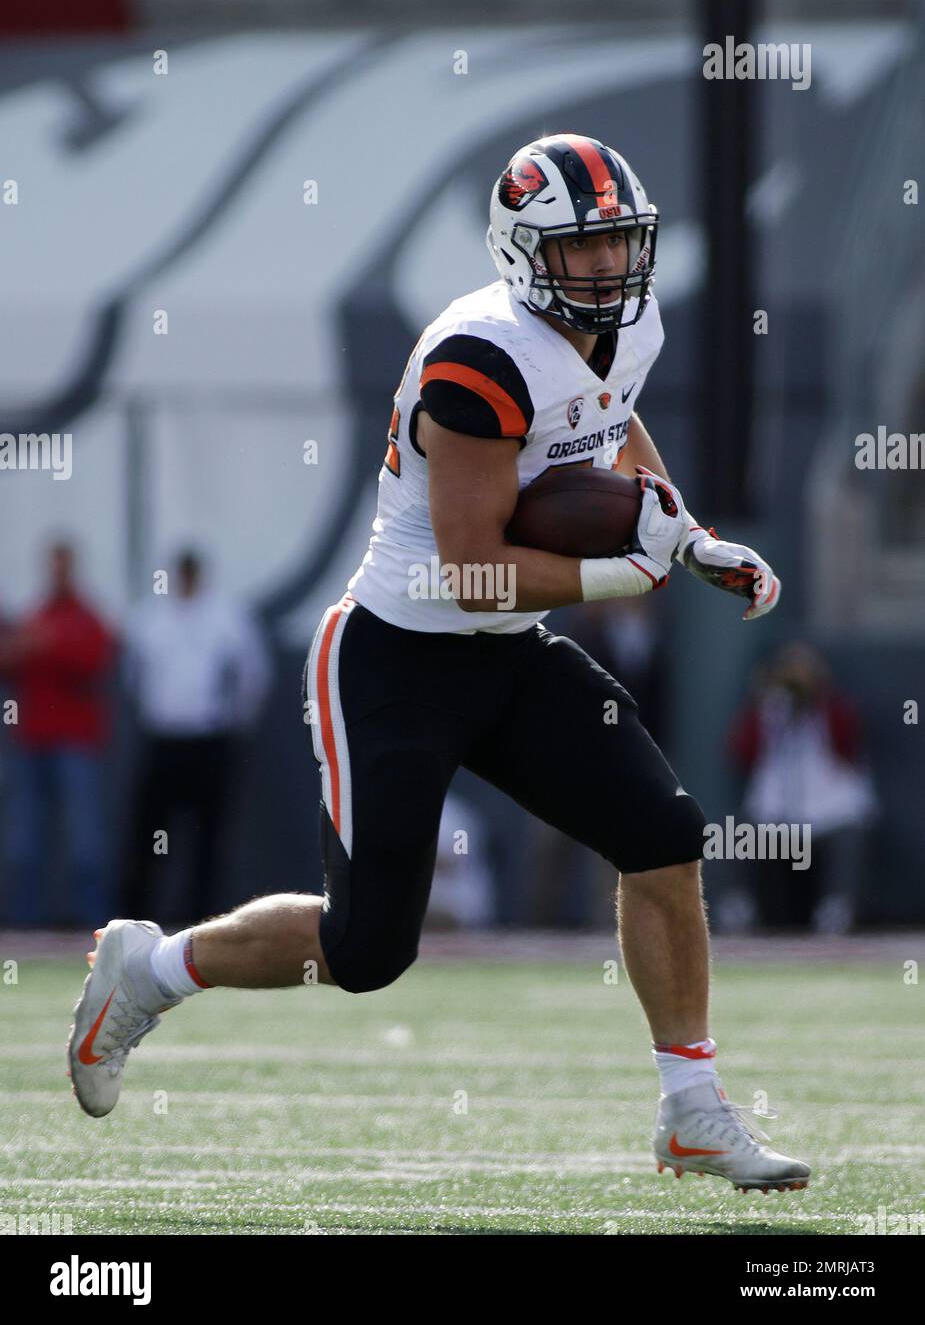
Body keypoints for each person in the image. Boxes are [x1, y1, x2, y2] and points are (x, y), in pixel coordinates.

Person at [67, 134, 808, 1194]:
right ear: (519, 251)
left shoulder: (627, 321)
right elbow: (472, 573)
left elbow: (611, 415)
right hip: (397, 655)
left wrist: (685, 538)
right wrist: (625, 574)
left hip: (503, 653)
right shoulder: (477, 359)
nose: (605, 270)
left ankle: (691, 1108)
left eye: (616, 244)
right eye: (579, 249)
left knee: (662, 835)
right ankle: (147, 970)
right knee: (368, 949)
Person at [121, 550, 271, 924]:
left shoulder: (226, 617)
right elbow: (132, 676)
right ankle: (139, 918)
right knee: (152, 834)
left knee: (209, 834)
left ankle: (203, 920)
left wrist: (234, 719)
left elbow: (253, 674)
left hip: (209, 741)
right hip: (164, 740)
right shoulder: (149, 618)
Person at [0, 542, 115, 927]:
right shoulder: (35, 615)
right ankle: (24, 926)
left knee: (85, 838)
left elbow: (94, 661)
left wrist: (48, 645)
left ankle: (92, 922)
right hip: (32, 741)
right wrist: (31, 645)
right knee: (23, 840)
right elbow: (10, 660)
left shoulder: (86, 617)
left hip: (75, 742)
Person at [728, 641, 877, 934]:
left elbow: (850, 738)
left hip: (828, 811)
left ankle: (837, 909)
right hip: (777, 812)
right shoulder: (768, 709)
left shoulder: (834, 708)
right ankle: (738, 907)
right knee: (735, 831)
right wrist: (764, 698)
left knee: (850, 835)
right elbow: (740, 750)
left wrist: (813, 695)